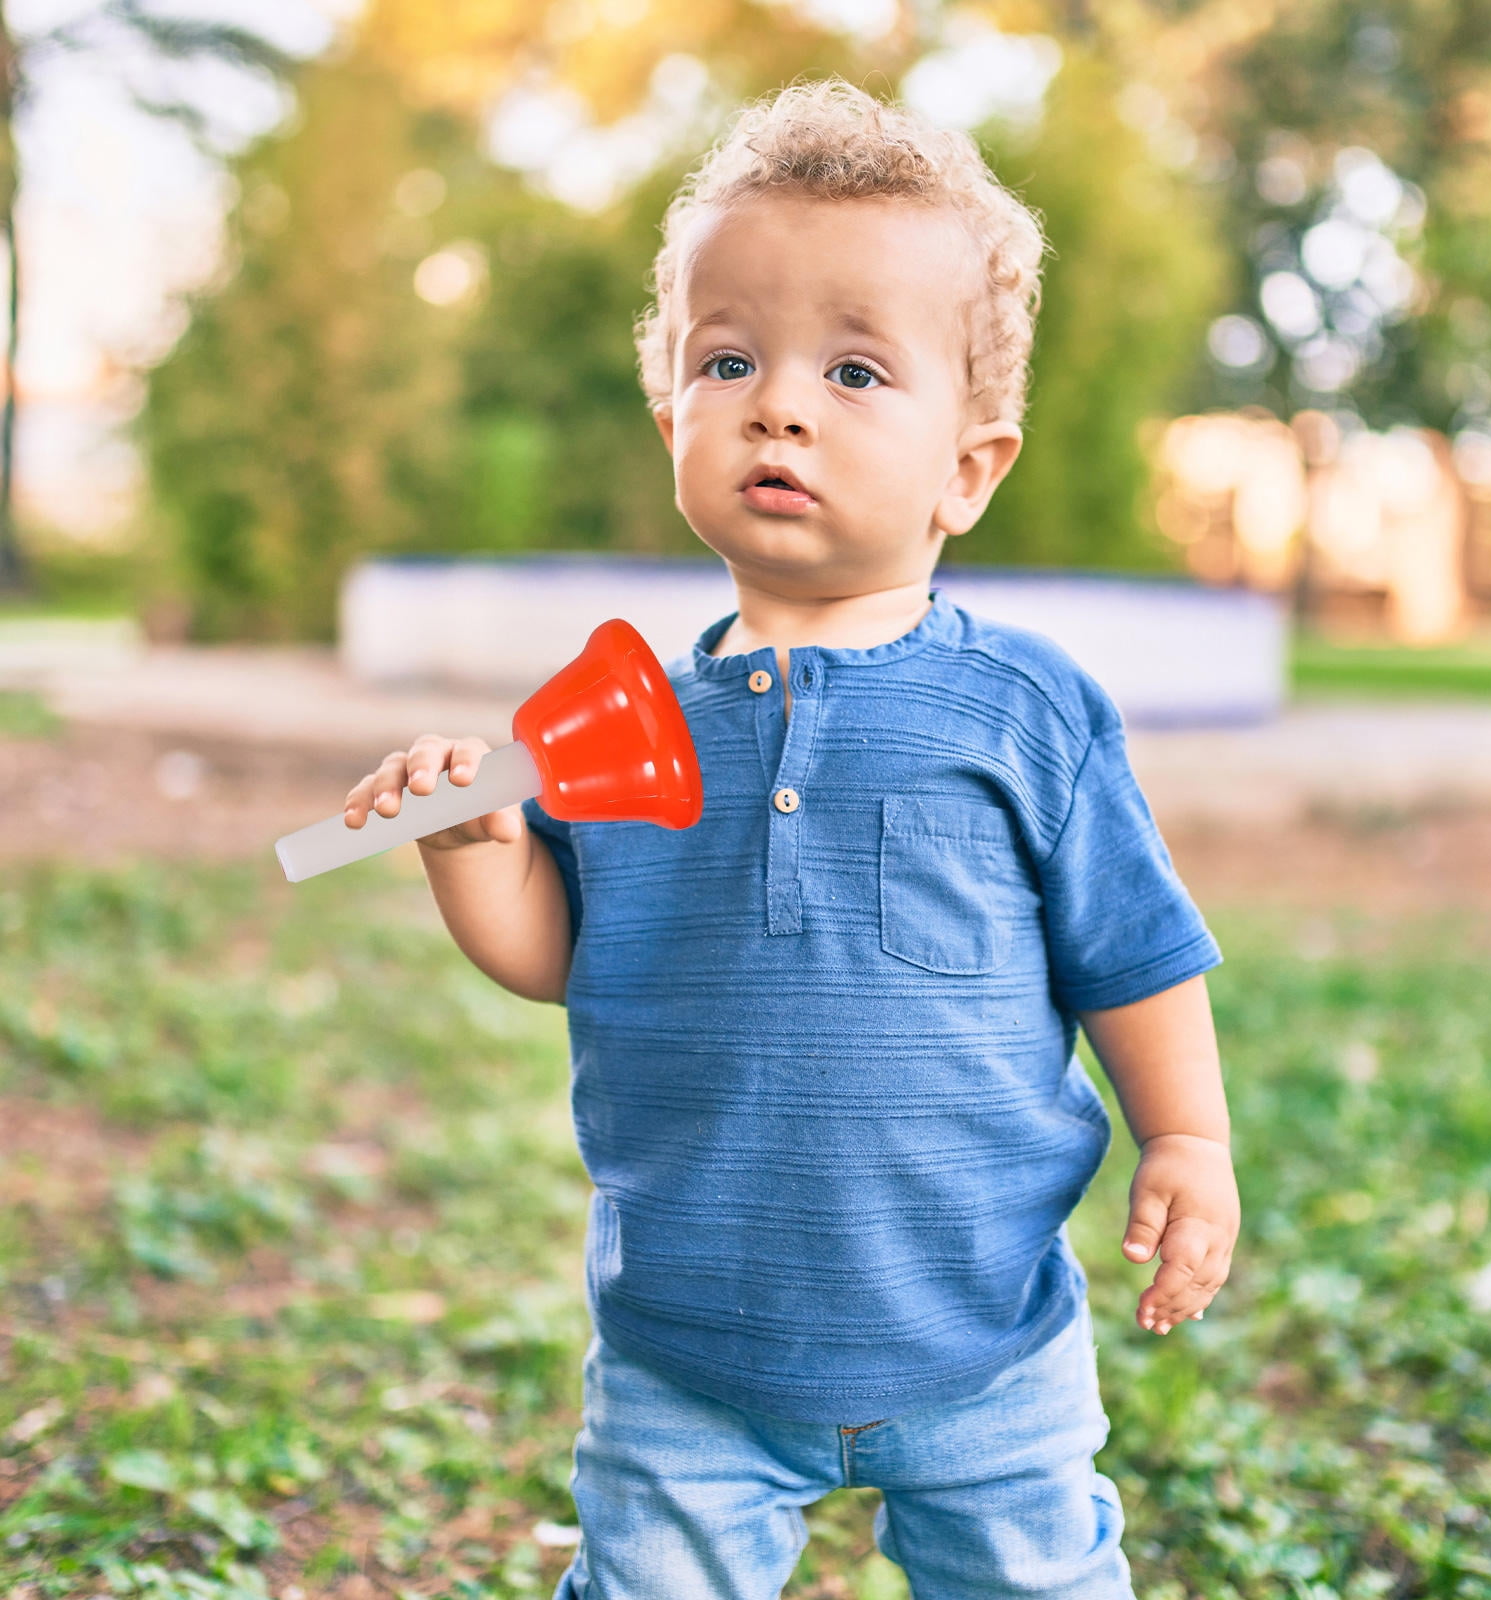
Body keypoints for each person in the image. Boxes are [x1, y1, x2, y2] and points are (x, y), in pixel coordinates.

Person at [343, 79, 1239, 1600]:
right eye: (730, 360)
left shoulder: (1024, 710)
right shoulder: (622, 721)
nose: (780, 405)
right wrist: (478, 849)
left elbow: (1132, 953)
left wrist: (1190, 1139)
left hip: (984, 1342)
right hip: (688, 1350)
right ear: (673, 420)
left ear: (969, 468)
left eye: (856, 370)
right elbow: (560, 956)